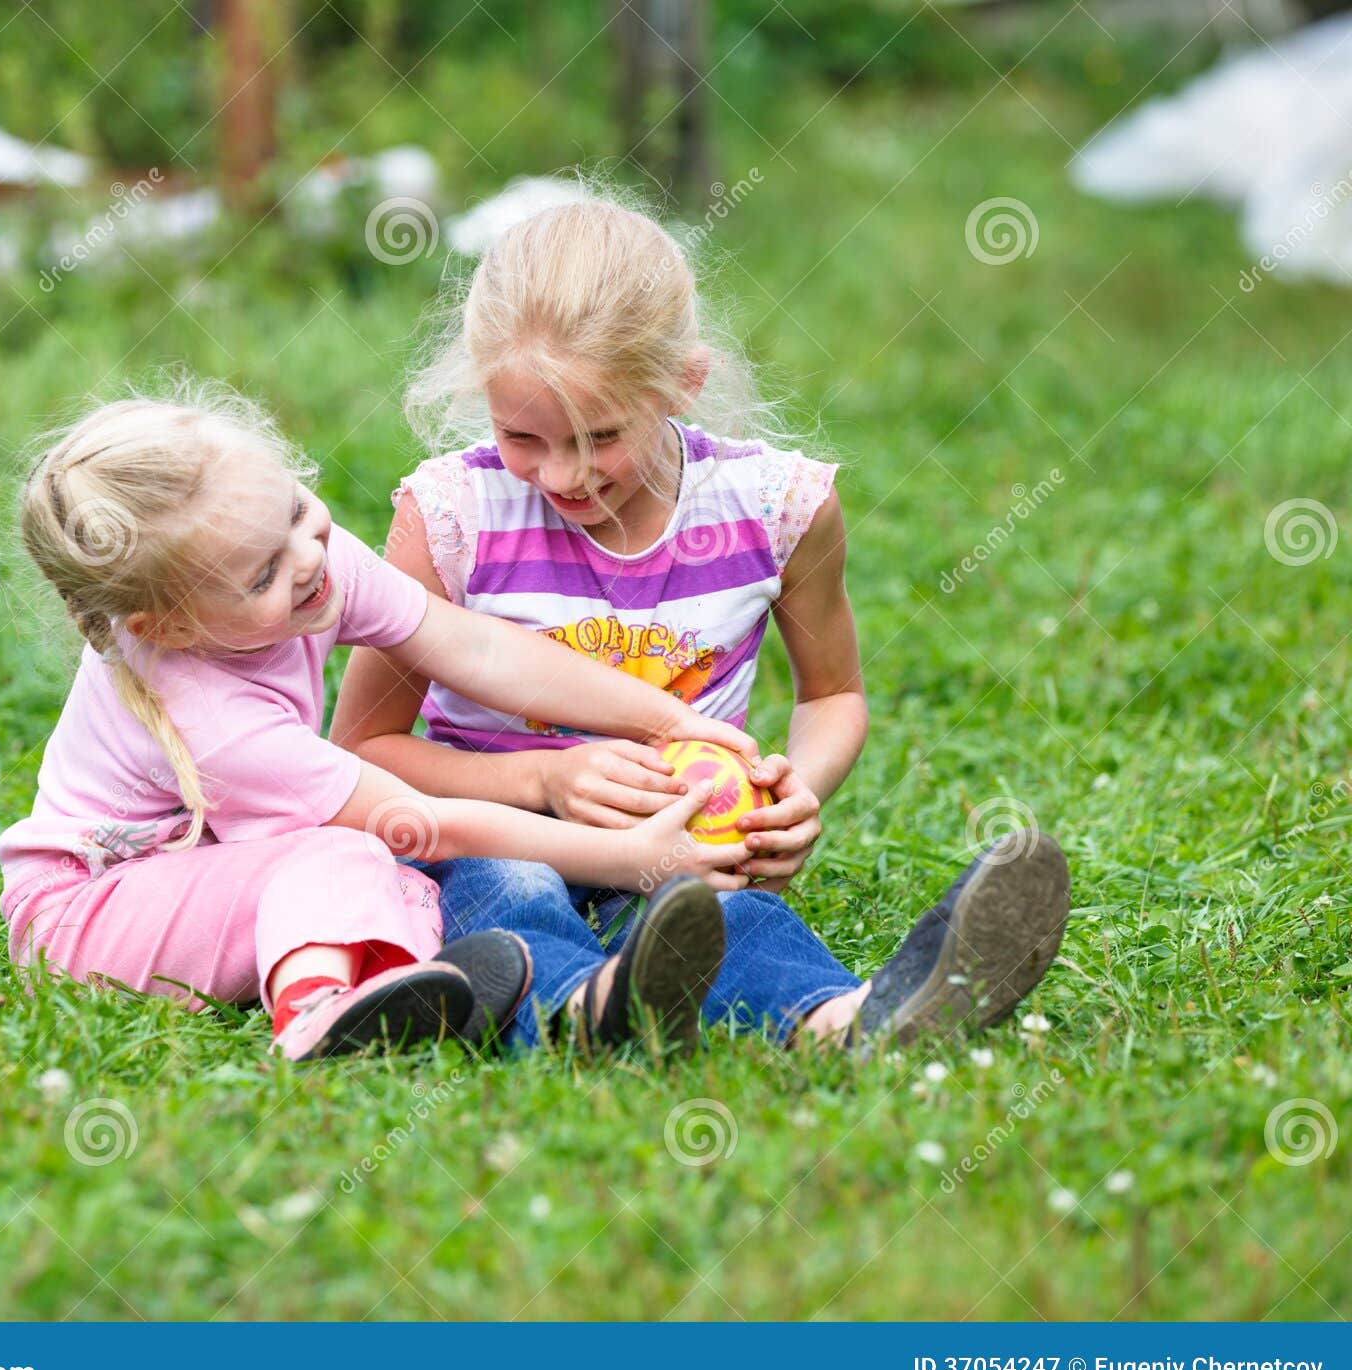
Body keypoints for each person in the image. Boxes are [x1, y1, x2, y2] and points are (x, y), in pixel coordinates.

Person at [331, 195, 1070, 1053]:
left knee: (733, 919)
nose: (562, 475)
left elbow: (832, 695)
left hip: (686, 839)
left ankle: (847, 1022)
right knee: (514, 889)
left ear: (684, 382)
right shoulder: (456, 516)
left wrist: (790, 796)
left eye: (599, 436)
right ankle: (584, 1012)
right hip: (497, 828)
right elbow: (360, 751)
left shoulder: (774, 509)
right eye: (522, 436)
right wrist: (544, 782)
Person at [0, 381, 764, 1062]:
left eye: (296, 511)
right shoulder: (211, 719)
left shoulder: (309, 563)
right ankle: (317, 1015)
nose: (307, 557)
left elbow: (474, 648)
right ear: (166, 627)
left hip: (207, 876)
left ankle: (420, 997)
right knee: (351, 851)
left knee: (389, 876)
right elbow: (425, 823)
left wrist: (668, 720)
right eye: (261, 574)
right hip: (86, 919)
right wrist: (628, 858)